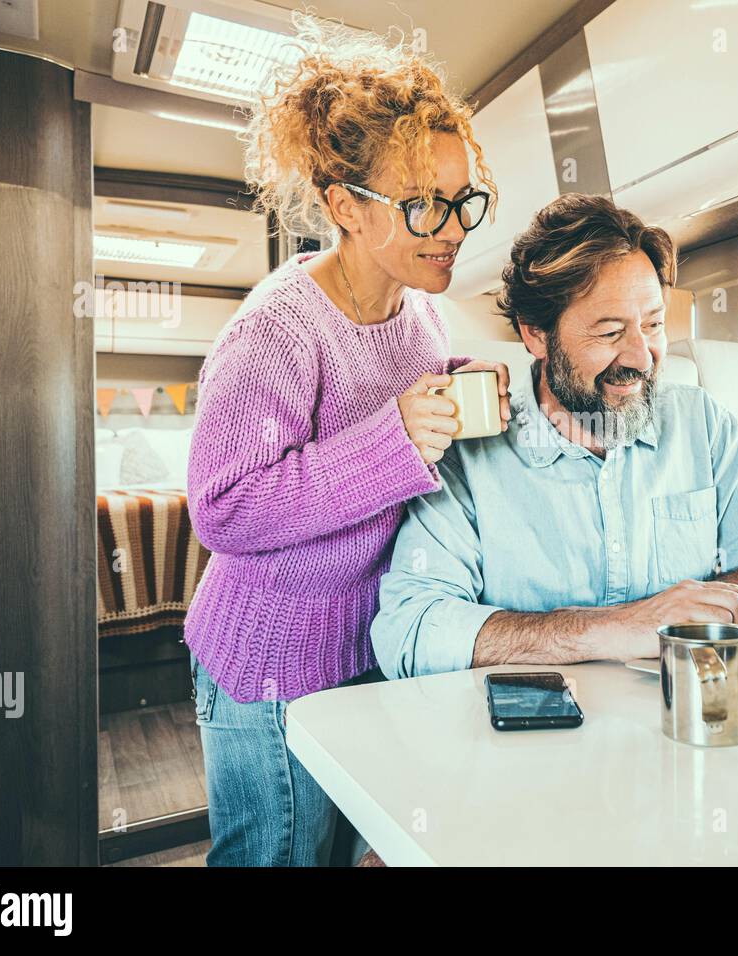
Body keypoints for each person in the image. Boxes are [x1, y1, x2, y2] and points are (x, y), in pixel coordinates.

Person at [183, 15, 507, 866]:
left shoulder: (421, 309)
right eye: (424, 205)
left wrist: (466, 378)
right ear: (343, 207)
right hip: (268, 667)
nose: (453, 226)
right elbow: (221, 508)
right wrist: (391, 439)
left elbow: (405, 373)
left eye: (462, 198)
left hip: (367, 648)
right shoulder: (276, 333)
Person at [371, 194, 738, 678]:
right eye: (610, 333)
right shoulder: (467, 450)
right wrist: (616, 627)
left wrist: (697, 613)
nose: (642, 357)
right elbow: (411, 631)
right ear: (535, 334)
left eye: (653, 325)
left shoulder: (703, 425)